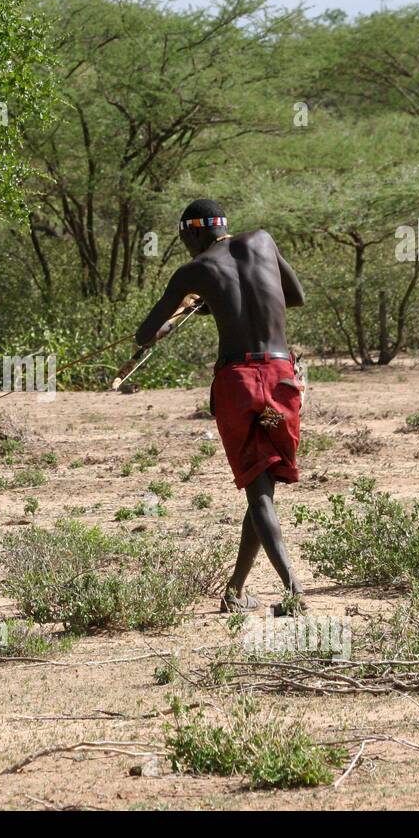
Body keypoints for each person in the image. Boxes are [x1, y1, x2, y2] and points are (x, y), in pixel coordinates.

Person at [134, 199, 307, 614]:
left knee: (259, 494)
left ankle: (294, 590)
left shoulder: (194, 271)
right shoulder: (263, 240)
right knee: (261, 487)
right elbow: (295, 296)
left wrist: (191, 304)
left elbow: (145, 335)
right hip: (283, 377)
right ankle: (235, 590)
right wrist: (218, 304)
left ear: (192, 233)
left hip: (238, 382)